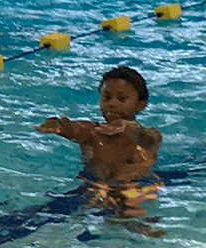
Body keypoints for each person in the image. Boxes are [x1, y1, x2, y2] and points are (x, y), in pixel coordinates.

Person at [35, 65, 163, 222]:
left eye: (121, 99)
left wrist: (131, 129)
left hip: (137, 189)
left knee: (138, 223)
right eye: (107, 97)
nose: (112, 104)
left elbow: (148, 137)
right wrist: (58, 124)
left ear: (140, 105)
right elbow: (75, 128)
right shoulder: (93, 133)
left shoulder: (149, 136)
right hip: (93, 190)